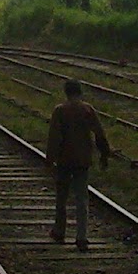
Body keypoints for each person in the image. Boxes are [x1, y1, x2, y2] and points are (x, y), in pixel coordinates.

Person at [45, 80, 110, 251]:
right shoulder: (88, 110)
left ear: (66, 93)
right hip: (83, 159)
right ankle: (82, 236)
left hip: (64, 160)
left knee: (62, 196)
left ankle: (59, 231)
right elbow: (99, 133)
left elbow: (54, 137)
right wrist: (104, 154)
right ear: (80, 92)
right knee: (82, 198)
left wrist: (49, 159)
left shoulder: (60, 111)